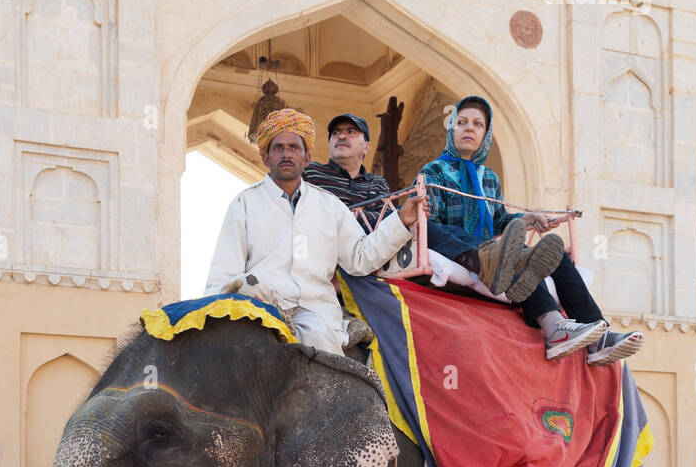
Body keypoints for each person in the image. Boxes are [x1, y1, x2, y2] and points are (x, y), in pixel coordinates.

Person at [422, 96, 644, 366]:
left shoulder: (488, 177)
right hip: (462, 248)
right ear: (451, 129)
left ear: (486, 134)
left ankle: (600, 337)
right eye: (462, 122)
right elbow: (429, 222)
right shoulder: (433, 171)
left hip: (494, 248)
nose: (469, 128)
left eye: (478, 124)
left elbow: (500, 219)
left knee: (555, 253)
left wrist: (527, 219)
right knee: (511, 253)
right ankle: (553, 326)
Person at [204, 108, 423, 355]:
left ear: (307, 158)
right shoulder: (244, 203)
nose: (286, 154)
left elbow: (360, 258)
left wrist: (401, 221)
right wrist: (211, 320)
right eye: (278, 148)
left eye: (294, 147)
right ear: (265, 157)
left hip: (315, 309)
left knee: (327, 363)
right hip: (261, 300)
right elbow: (224, 270)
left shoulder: (329, 205)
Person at [305, 113, 563, 303]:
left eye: (351, 132)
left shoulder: (377, 182)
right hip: (344, 245)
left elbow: (387, 221)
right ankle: (487, 261)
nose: (342, 135)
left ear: (366, 147)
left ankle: (490, 261)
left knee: (438, 228)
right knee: (432, 224)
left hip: (377, 242)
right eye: (336, 132)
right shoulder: (312, 174)